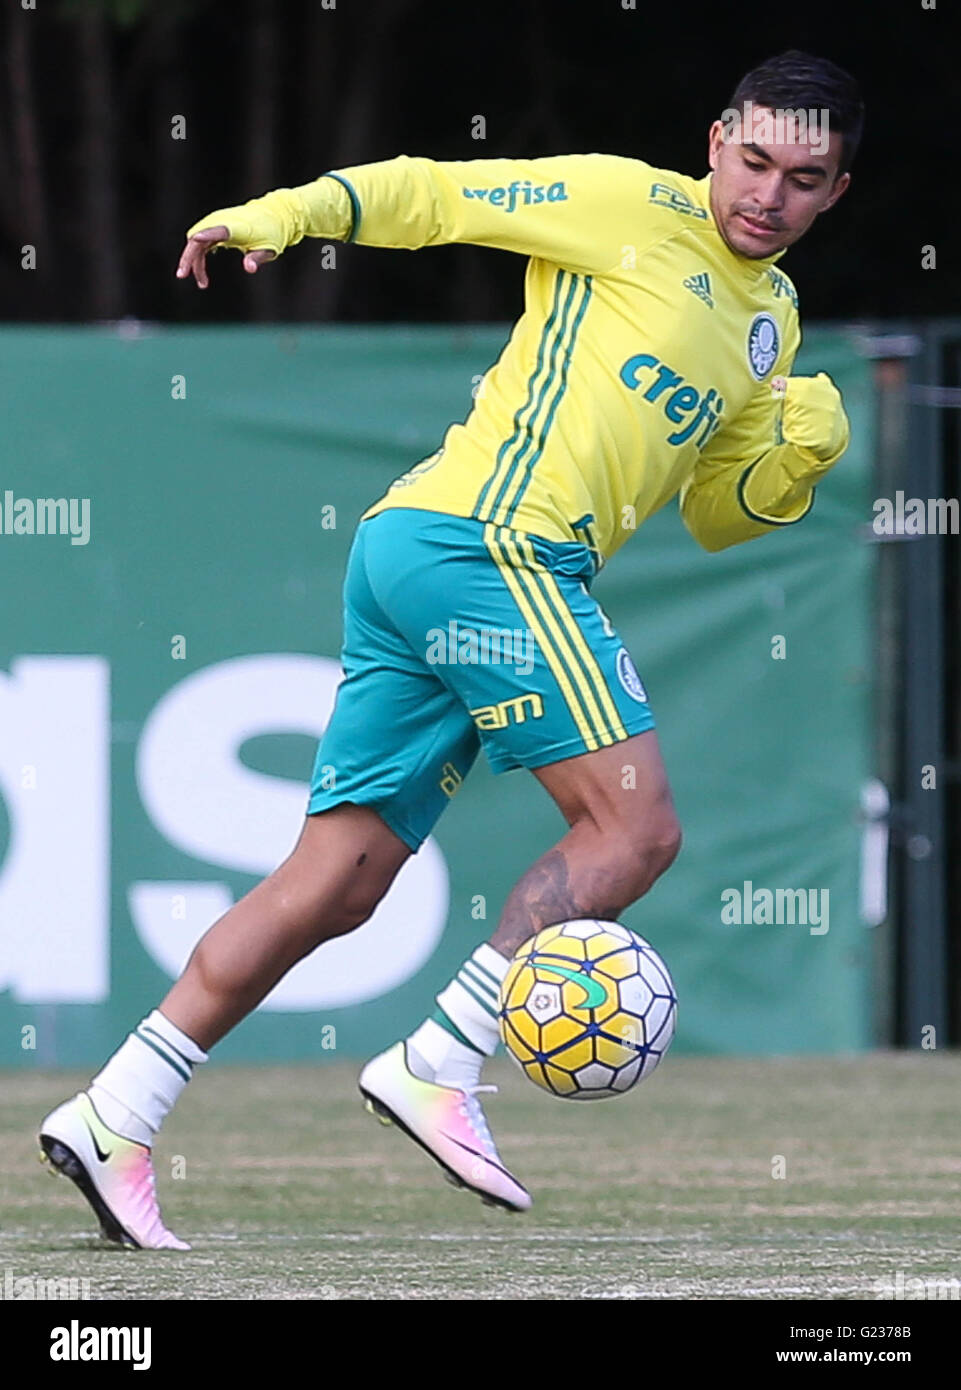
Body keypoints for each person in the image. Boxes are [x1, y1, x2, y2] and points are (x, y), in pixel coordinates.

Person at [39, 49, 862, 1248]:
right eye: (752, 159)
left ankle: (118, 1110)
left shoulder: (770, 322)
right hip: (486, 544)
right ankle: (441, 1059)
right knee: (637, 828)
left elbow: (714, 512)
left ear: (836, 192)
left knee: (338, 883)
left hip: (425, 552)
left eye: (803, 177)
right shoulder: (629, 204)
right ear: (715, 136)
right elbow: (437, 192)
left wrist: (794, 457)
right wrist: (289, 211)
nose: (767, 194)